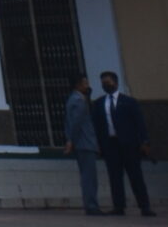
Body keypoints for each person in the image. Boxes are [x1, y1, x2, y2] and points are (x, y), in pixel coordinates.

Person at [92, 71, 153, 217]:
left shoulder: (129, 102)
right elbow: (97, 126)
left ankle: (144, 206)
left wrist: (144, 141)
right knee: (115, 176)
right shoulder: (99, 103)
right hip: (110, 144)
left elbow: (139, 122)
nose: (106, 85)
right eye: (103, 83)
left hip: (129, 144)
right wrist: (99, 144)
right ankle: (118, 206)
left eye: (108, 82)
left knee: (135, 176)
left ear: (115, 82)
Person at [64, 76, 103, 215]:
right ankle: (91, 205)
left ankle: (91, 204)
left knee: (88, 176)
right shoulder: (79, 101)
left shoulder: (74, 99)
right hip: (85, 143)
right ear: (78, 85)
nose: (88, 86)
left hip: (83, 143)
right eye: (85, 83)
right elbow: (76, 123)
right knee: (89, 177)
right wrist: (70, 140)